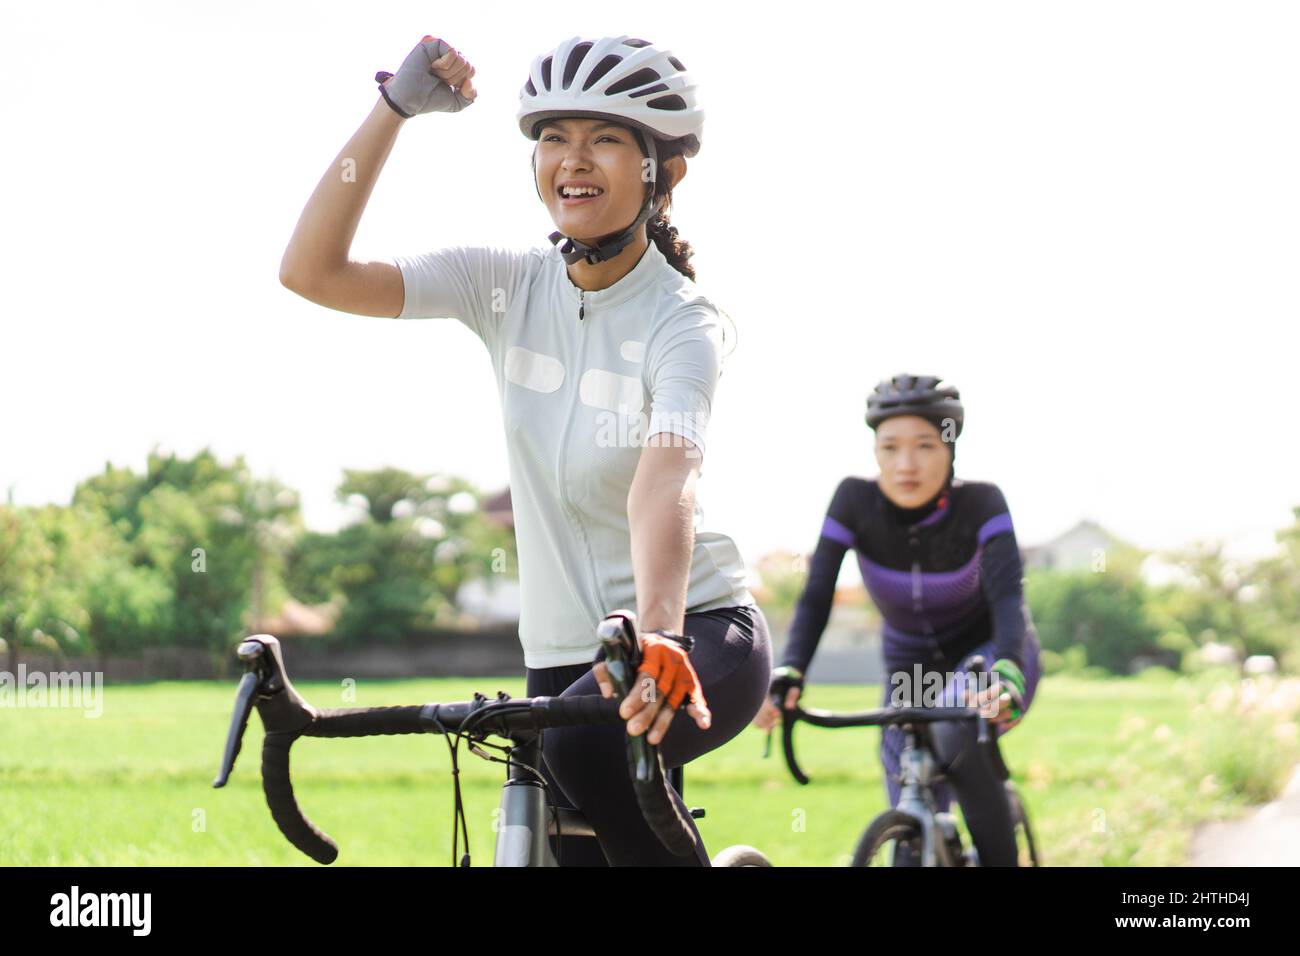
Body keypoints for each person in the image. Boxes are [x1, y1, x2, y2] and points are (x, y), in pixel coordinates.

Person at [278, 34, 771, 866]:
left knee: (586, 756)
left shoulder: (685, 323)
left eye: (605, 138)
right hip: (559, 660)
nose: (572, 160)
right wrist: (393, 111)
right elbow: (313, 271)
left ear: (664, 172)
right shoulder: (504, 286)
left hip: (695, 635)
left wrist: (658, 637)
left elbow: (668, 480)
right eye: (554, 137)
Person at [754, 373, 1043, 866]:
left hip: (988, 652)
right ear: (875, 451)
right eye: (890, 447)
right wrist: (790, 671)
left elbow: (1007, 601)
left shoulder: (983, 502)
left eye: (926, 445)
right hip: (908, 660)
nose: (906, 463)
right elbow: (818, 592)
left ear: (950, 447)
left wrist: (1008, 672)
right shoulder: (852, 500)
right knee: (905, 782)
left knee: (958, 730)